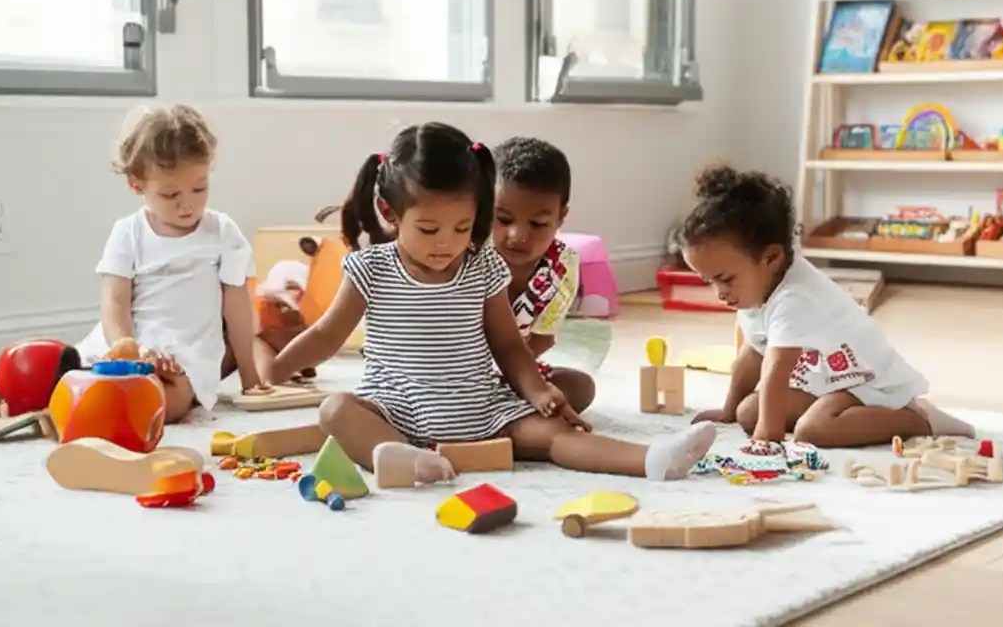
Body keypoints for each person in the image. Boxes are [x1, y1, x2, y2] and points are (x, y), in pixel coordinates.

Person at [266, 122, 716, 484]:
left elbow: (507, 344)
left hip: (480, 407)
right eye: (429, 230)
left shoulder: (482, 266)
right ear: (390, 213)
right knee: (335, 410)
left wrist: (539, 392)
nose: (446, 244)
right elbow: (327, 334)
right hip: (397, 408)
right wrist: (276, 369)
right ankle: (404, 459)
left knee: (558, 435)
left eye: (462, 228)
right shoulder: (372, 268)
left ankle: (652, 459)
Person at [0, 105, 268, 426]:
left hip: (185, 355)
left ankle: (66, 412)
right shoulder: (129, 233)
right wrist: (129, 350)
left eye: (199, 188)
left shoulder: (222, 232)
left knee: (169, 404)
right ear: (137, 185)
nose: (188, 202)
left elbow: (238, 307)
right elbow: (114, 302)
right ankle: (8, 392)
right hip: (126, 342)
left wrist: (250, 375)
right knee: (51, 364)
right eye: (170, 194)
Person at [681, 164, 975, 450]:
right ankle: (810, 412)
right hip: (823, 381)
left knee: (813, 430)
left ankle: (919, 419)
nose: (719, 293)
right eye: (709, 281)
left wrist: (768, 435)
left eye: (725, 280)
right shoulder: (757, 285)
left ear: (771, 257)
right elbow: (754, 354)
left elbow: (776, 369)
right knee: (748, 412)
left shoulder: (795, 298)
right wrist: (728, 410)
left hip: (864, 382)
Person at [491, 136, 595, 412]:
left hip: (514, 371)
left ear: (561, 218)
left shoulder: (562, 267)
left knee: (580, 387)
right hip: (454, 370)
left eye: (538, 223)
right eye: (503, 219)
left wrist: (521, 377)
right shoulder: (467, 257)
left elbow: (542, 337)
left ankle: (501, 410)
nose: (518, 235)